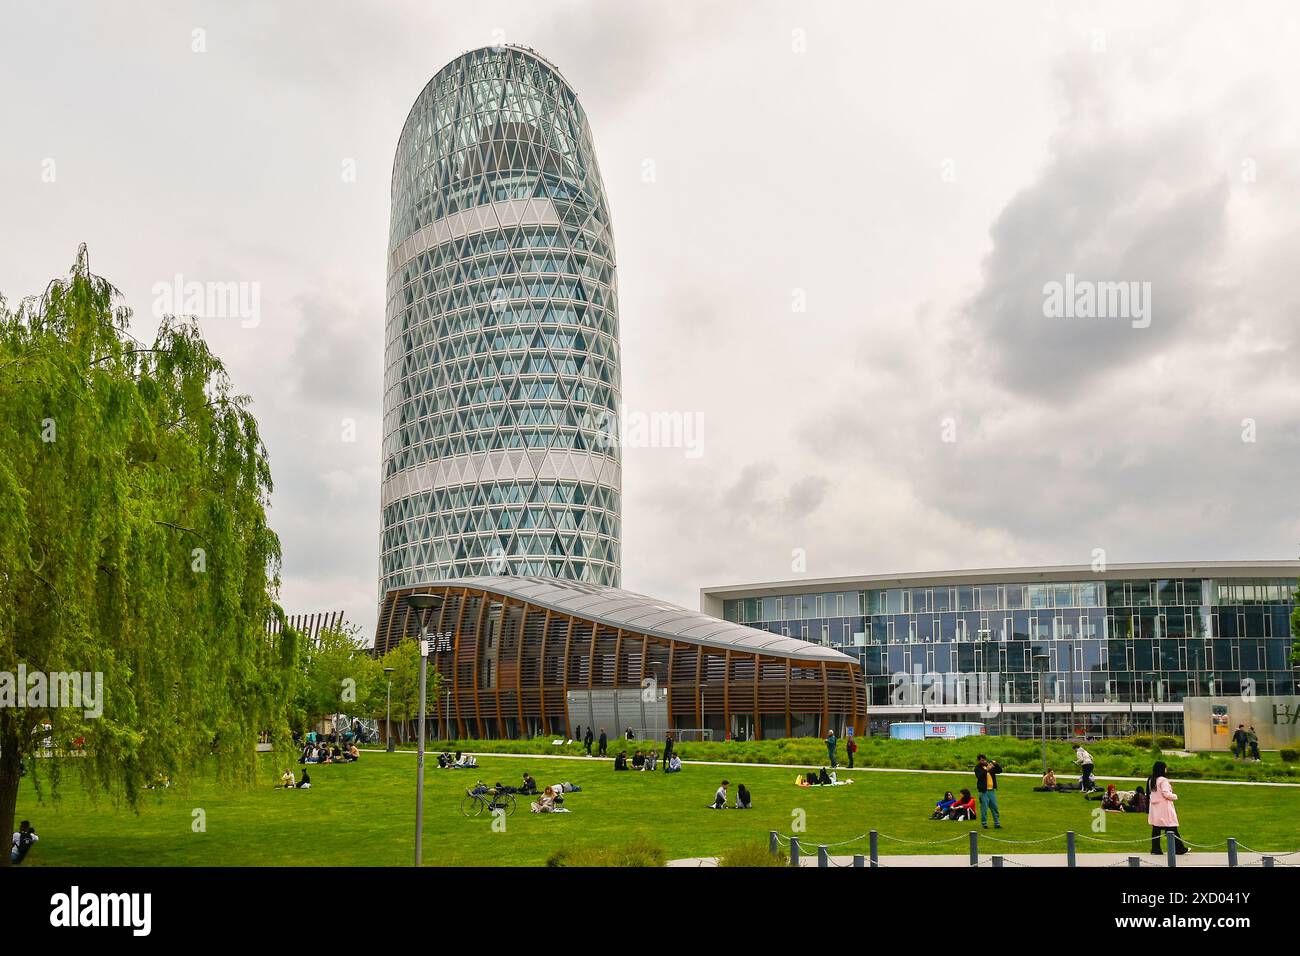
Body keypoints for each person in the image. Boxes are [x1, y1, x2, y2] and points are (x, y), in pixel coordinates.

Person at [1147, 761, 1188, 855]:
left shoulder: (1152, 779)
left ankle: (1155, 849)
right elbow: (1166, 794)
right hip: (1164, 808)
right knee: (1172, 828)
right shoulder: (1163, 780)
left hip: (1155, 807)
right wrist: (1174, 796)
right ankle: (1179, 848)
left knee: (1156, 829)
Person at [974, 754, 1002, 829]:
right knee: (984, 808)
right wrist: (986, 770)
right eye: (982, 760)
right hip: (983, 792)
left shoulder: (989, 765)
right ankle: (984, 824)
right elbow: (979, 776)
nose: (984, 761)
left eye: (984, 760)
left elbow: (999, 771)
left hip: (991, 791)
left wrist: (996, 764)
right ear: (979, 761)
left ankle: (997, 823)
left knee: (994, 807)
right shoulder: (977, 768)